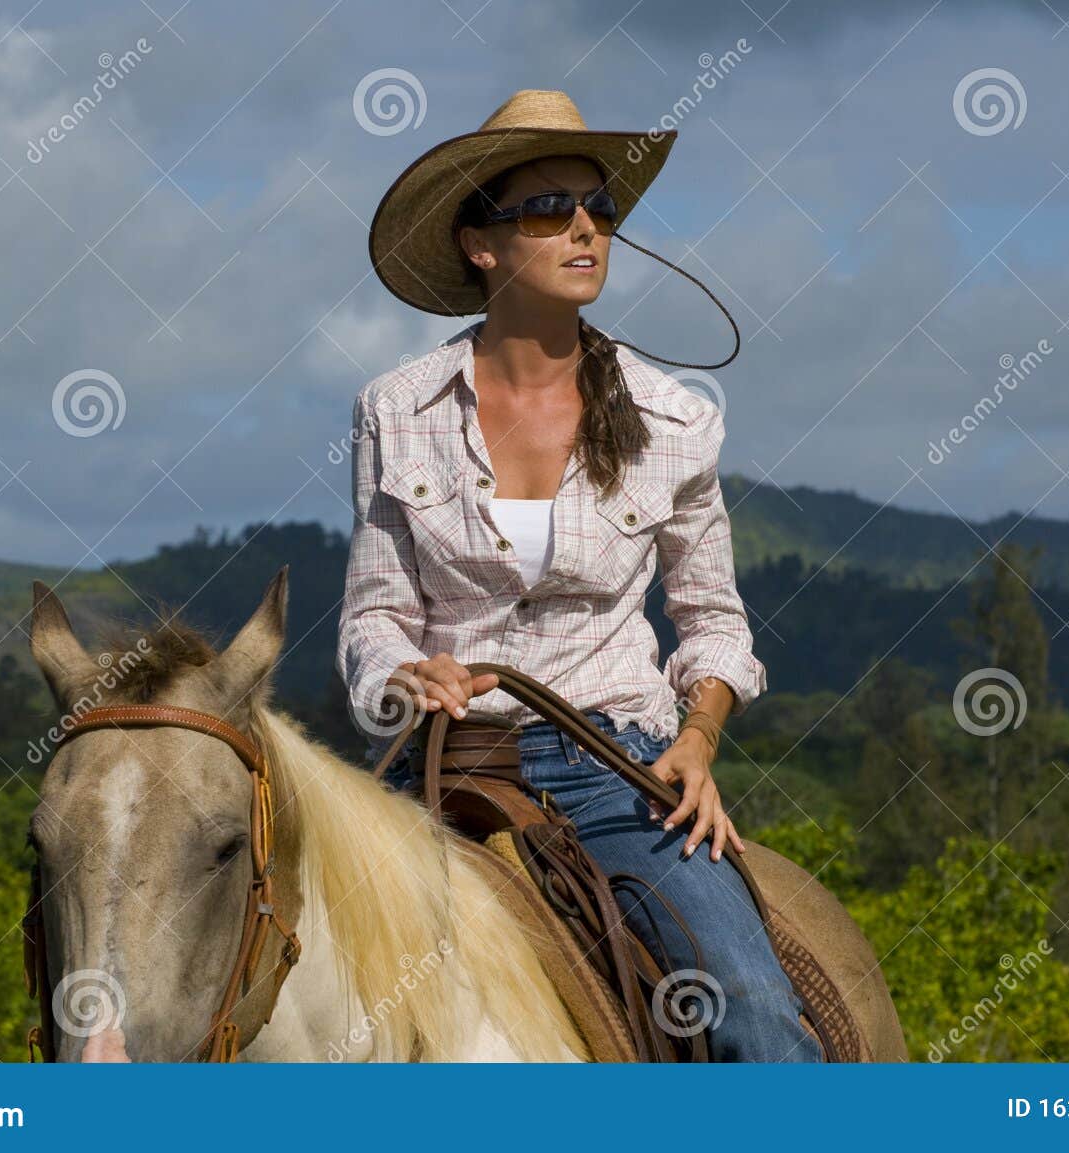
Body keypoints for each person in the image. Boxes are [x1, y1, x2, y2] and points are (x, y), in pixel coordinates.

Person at [339, 88, 822, 1062]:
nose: (584, 228)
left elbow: (712, 619)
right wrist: (404, 675)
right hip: (442, 764)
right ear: (480, 243)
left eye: (597, 208)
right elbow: (374, 615)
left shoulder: (673, 417)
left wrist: (698, 739)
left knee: (755, 1018)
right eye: (546, 209)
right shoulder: (394, 408)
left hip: (617, 768)